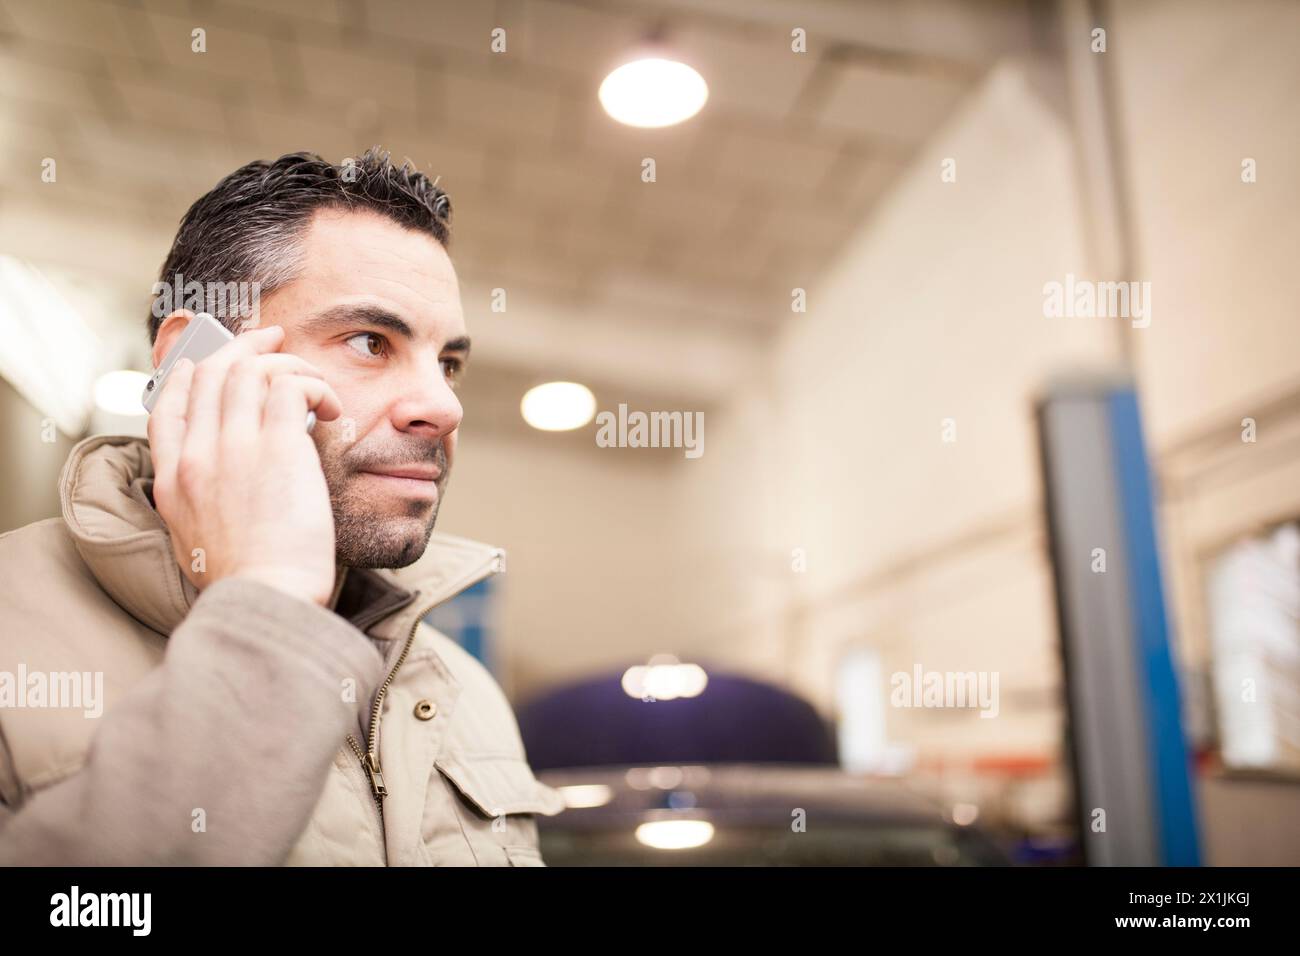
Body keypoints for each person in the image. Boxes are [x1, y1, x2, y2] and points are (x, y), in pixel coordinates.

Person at [0, 149, 564, 865]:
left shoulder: (464, 692)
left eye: (447, 363)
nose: (443, 406)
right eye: (370, 342)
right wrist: (266, 603)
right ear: (193, 365)